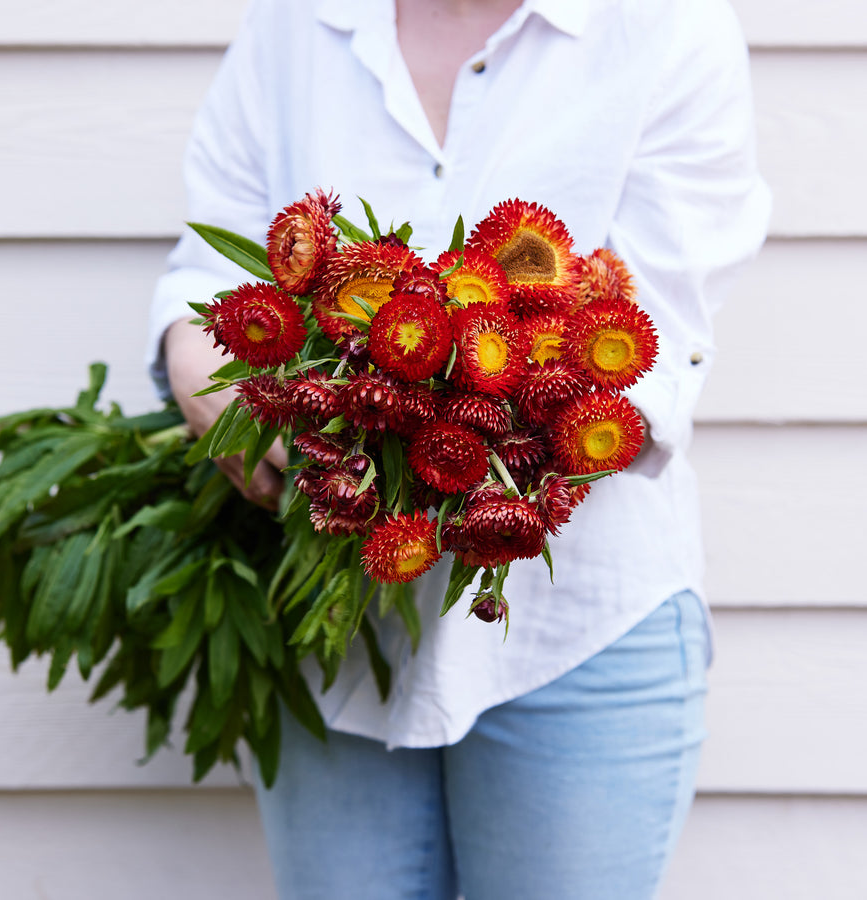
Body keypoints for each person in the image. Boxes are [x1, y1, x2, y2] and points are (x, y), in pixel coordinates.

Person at [149, 0, 771, 897]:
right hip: (335, 624)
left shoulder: (668, 26)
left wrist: (383, 404)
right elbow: (213, 262)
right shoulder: (296, 23)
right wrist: (202, 366)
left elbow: (652, 341)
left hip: (576, 628)